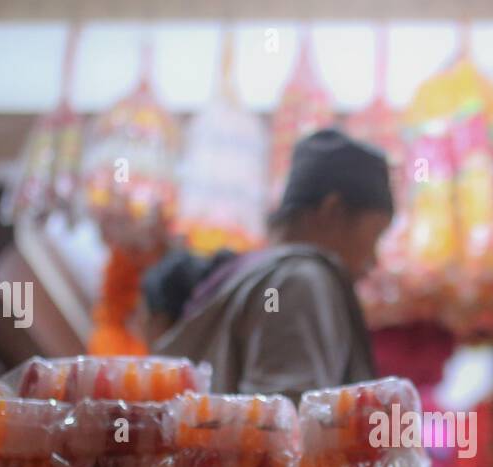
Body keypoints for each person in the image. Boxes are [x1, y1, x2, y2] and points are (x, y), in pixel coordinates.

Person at [153, 128, 393, 399]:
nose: (373, 261)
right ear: (332, 212)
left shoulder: (244, 272)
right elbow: (280, 425)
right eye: (375, 234)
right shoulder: (299, 281)